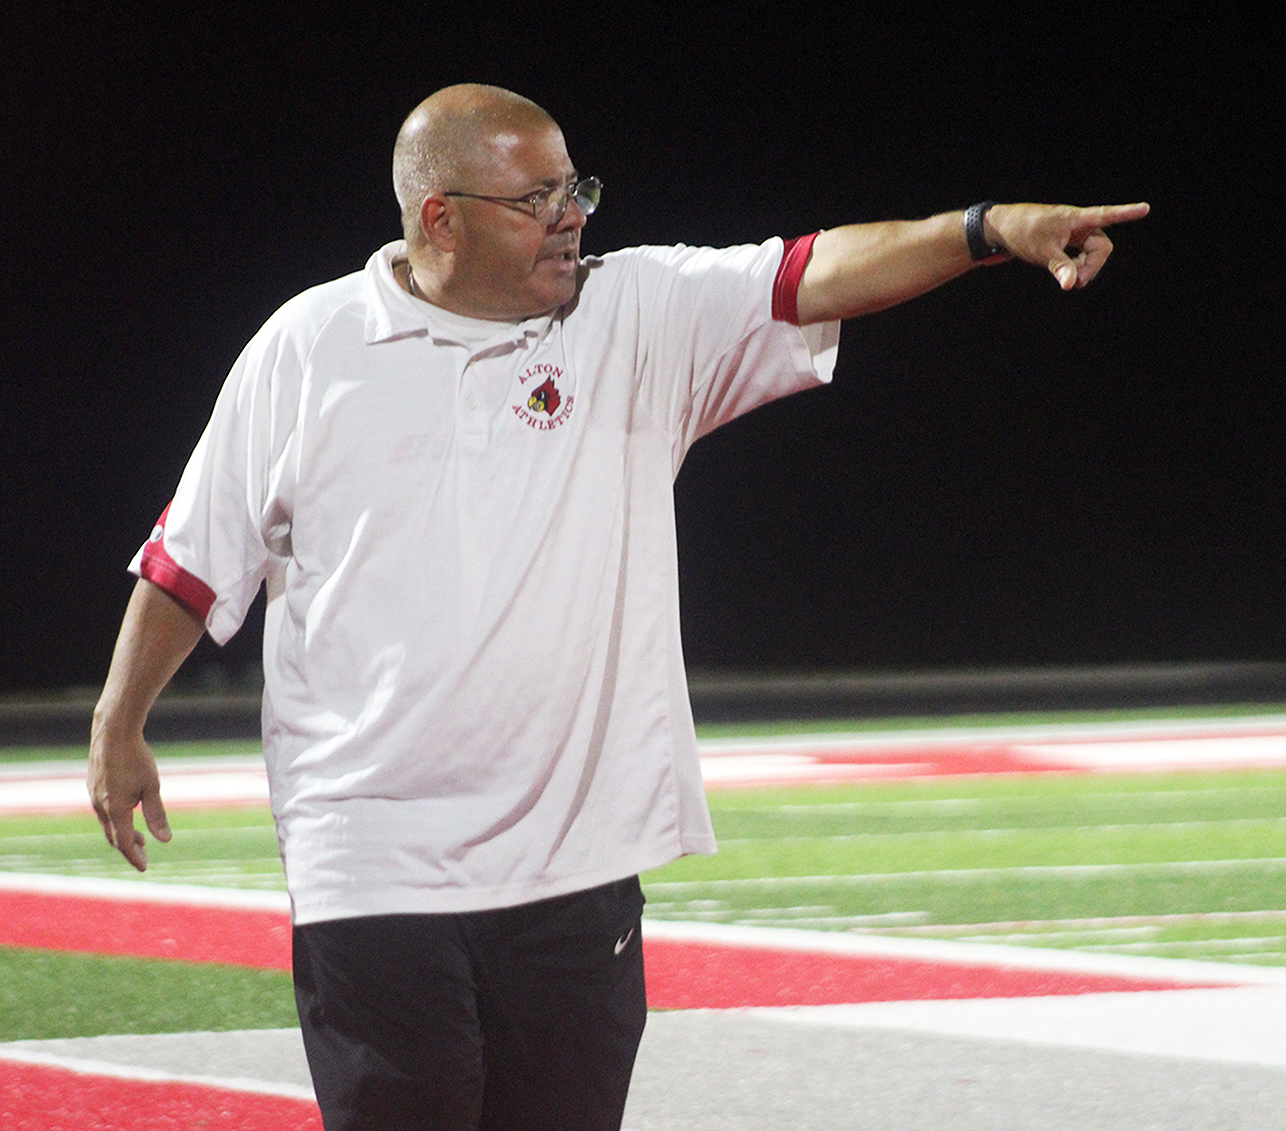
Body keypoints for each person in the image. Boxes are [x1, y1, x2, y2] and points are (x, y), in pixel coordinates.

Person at [88, 83, 1149, 1130]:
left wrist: (986, 230)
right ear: (439, 218)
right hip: (370, 852)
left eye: (576, 187)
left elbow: (814, 272)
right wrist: (119, 721)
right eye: (538, 198)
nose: (574, 217)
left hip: (577, 857)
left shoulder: (635, 311)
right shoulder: (306, 347)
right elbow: (192, 559)